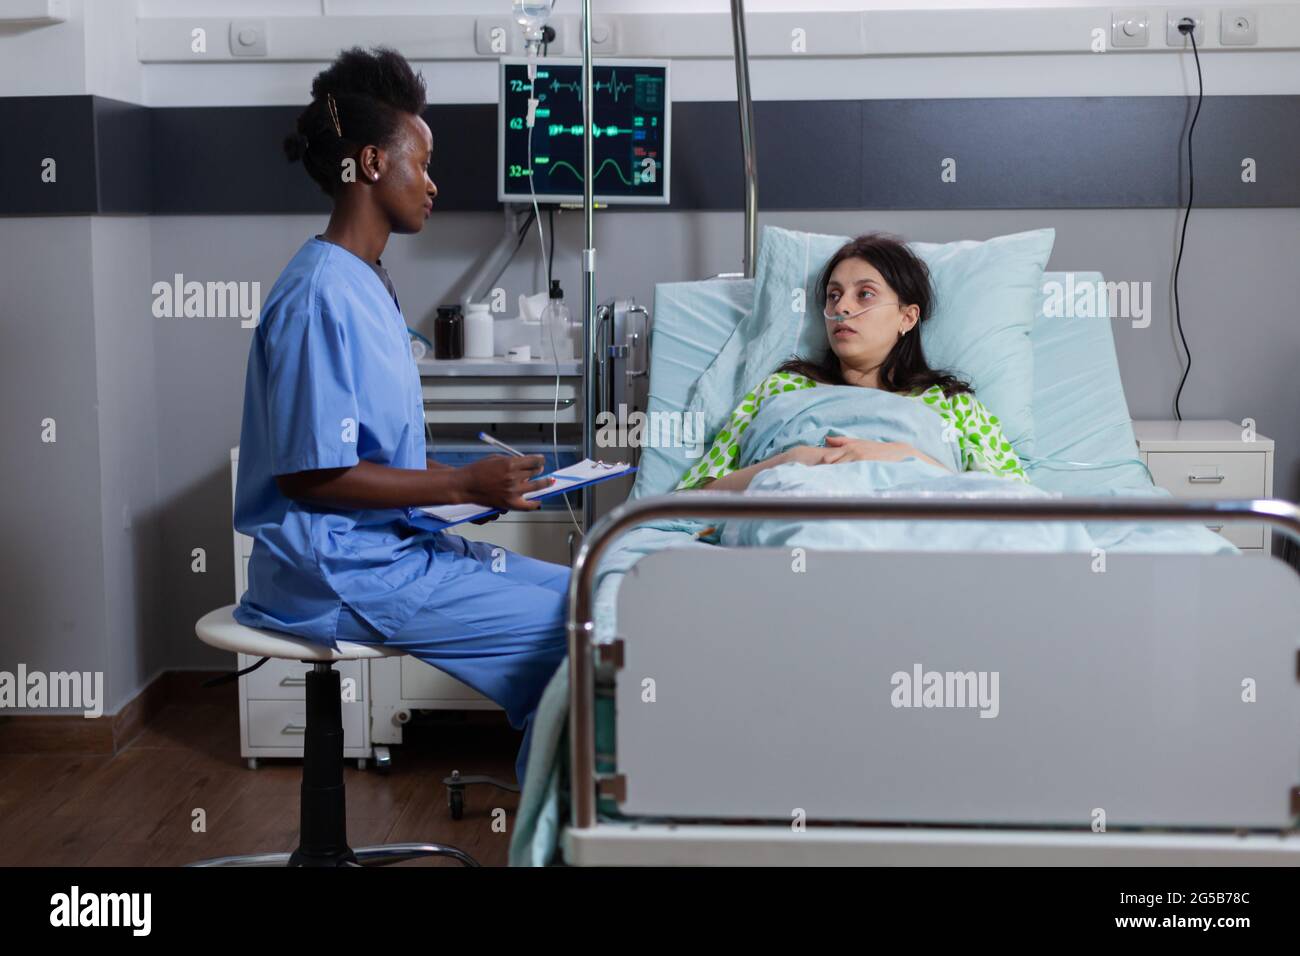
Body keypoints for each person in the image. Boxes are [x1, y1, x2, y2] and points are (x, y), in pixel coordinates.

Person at [233, 47, 568, 786]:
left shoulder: (366, 281)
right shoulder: (321, 294)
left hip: (390, 550)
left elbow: (369, 455)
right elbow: (313, 477)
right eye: (422, 161)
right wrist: (461, 485)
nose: (434, 182)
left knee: (595, 595)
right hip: (336, 571)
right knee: (581, 640)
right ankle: (553, 838)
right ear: (373, 165)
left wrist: (480, 490)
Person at [678, 233, 1029, 491]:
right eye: (834, 295)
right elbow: (698, 497)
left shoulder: (953, 405)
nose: (842, 307)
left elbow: (1013, 503)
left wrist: (907, 458)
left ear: (907, 317)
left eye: (865, 294)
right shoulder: (784, 387)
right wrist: (788, 462)